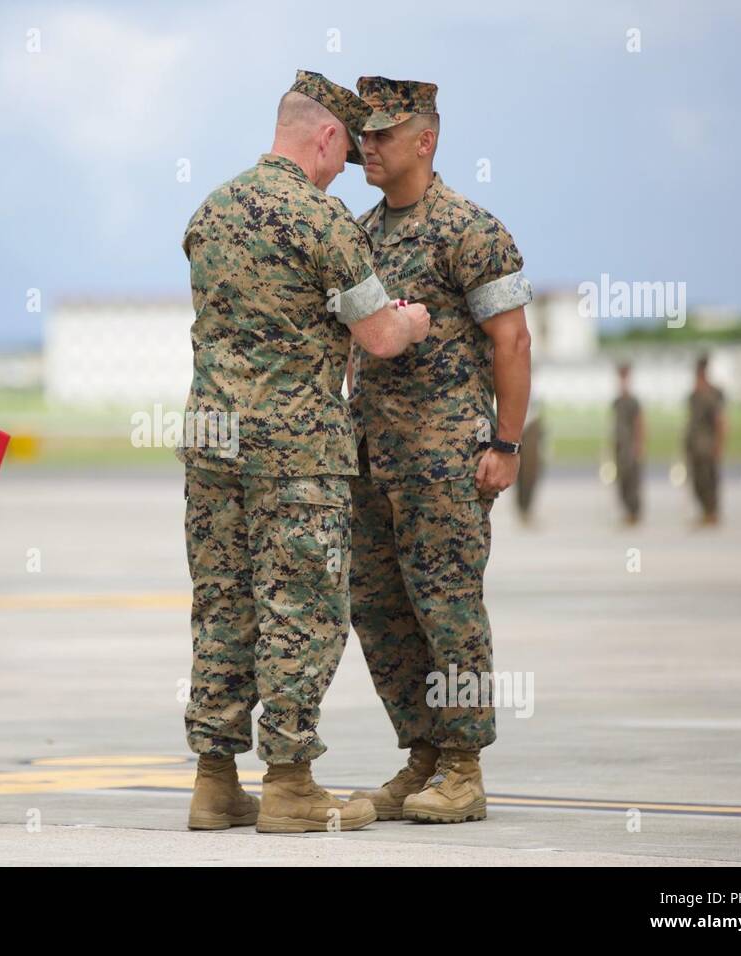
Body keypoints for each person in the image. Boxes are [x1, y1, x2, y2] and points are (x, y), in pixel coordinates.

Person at [179, 70, 430, 834]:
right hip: (295, 449)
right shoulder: (323, 223)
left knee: (223, 604)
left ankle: (214, 780)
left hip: (211, 442)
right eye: (343, 151)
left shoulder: (210, 211)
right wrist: (413, 319)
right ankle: (289, 783)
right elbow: (379, 335)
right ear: (325, 137)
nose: (342, 167)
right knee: (301, 608)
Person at [346, 77, 533, 825]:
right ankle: (421, 753)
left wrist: (507, 444)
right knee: (379, 609)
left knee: (448, 608)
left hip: (445, 462)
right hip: (372, 460)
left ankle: (462, 766)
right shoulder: (360, 234)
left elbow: (512, 340)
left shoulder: (471, 229)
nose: (368, 143)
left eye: (384, 132)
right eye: (363, 131)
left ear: (425, 140)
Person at [685, 354, 726, 525]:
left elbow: (720, 421)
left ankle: (712, 512)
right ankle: (704, 511)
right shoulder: (694, 394)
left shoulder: (712, 394)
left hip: (707, 444)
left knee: (709, 478)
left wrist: (719, 444)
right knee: (697, 480)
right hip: (695, 444)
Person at [613, 363, 644, 525]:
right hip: (620, 447)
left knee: (633, 481)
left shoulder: (633, 401)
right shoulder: (617, 401)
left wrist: (639, 445)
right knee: (622, 481)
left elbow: (640, 424)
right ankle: (627, 512)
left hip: (630, 447)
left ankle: (634, 512)